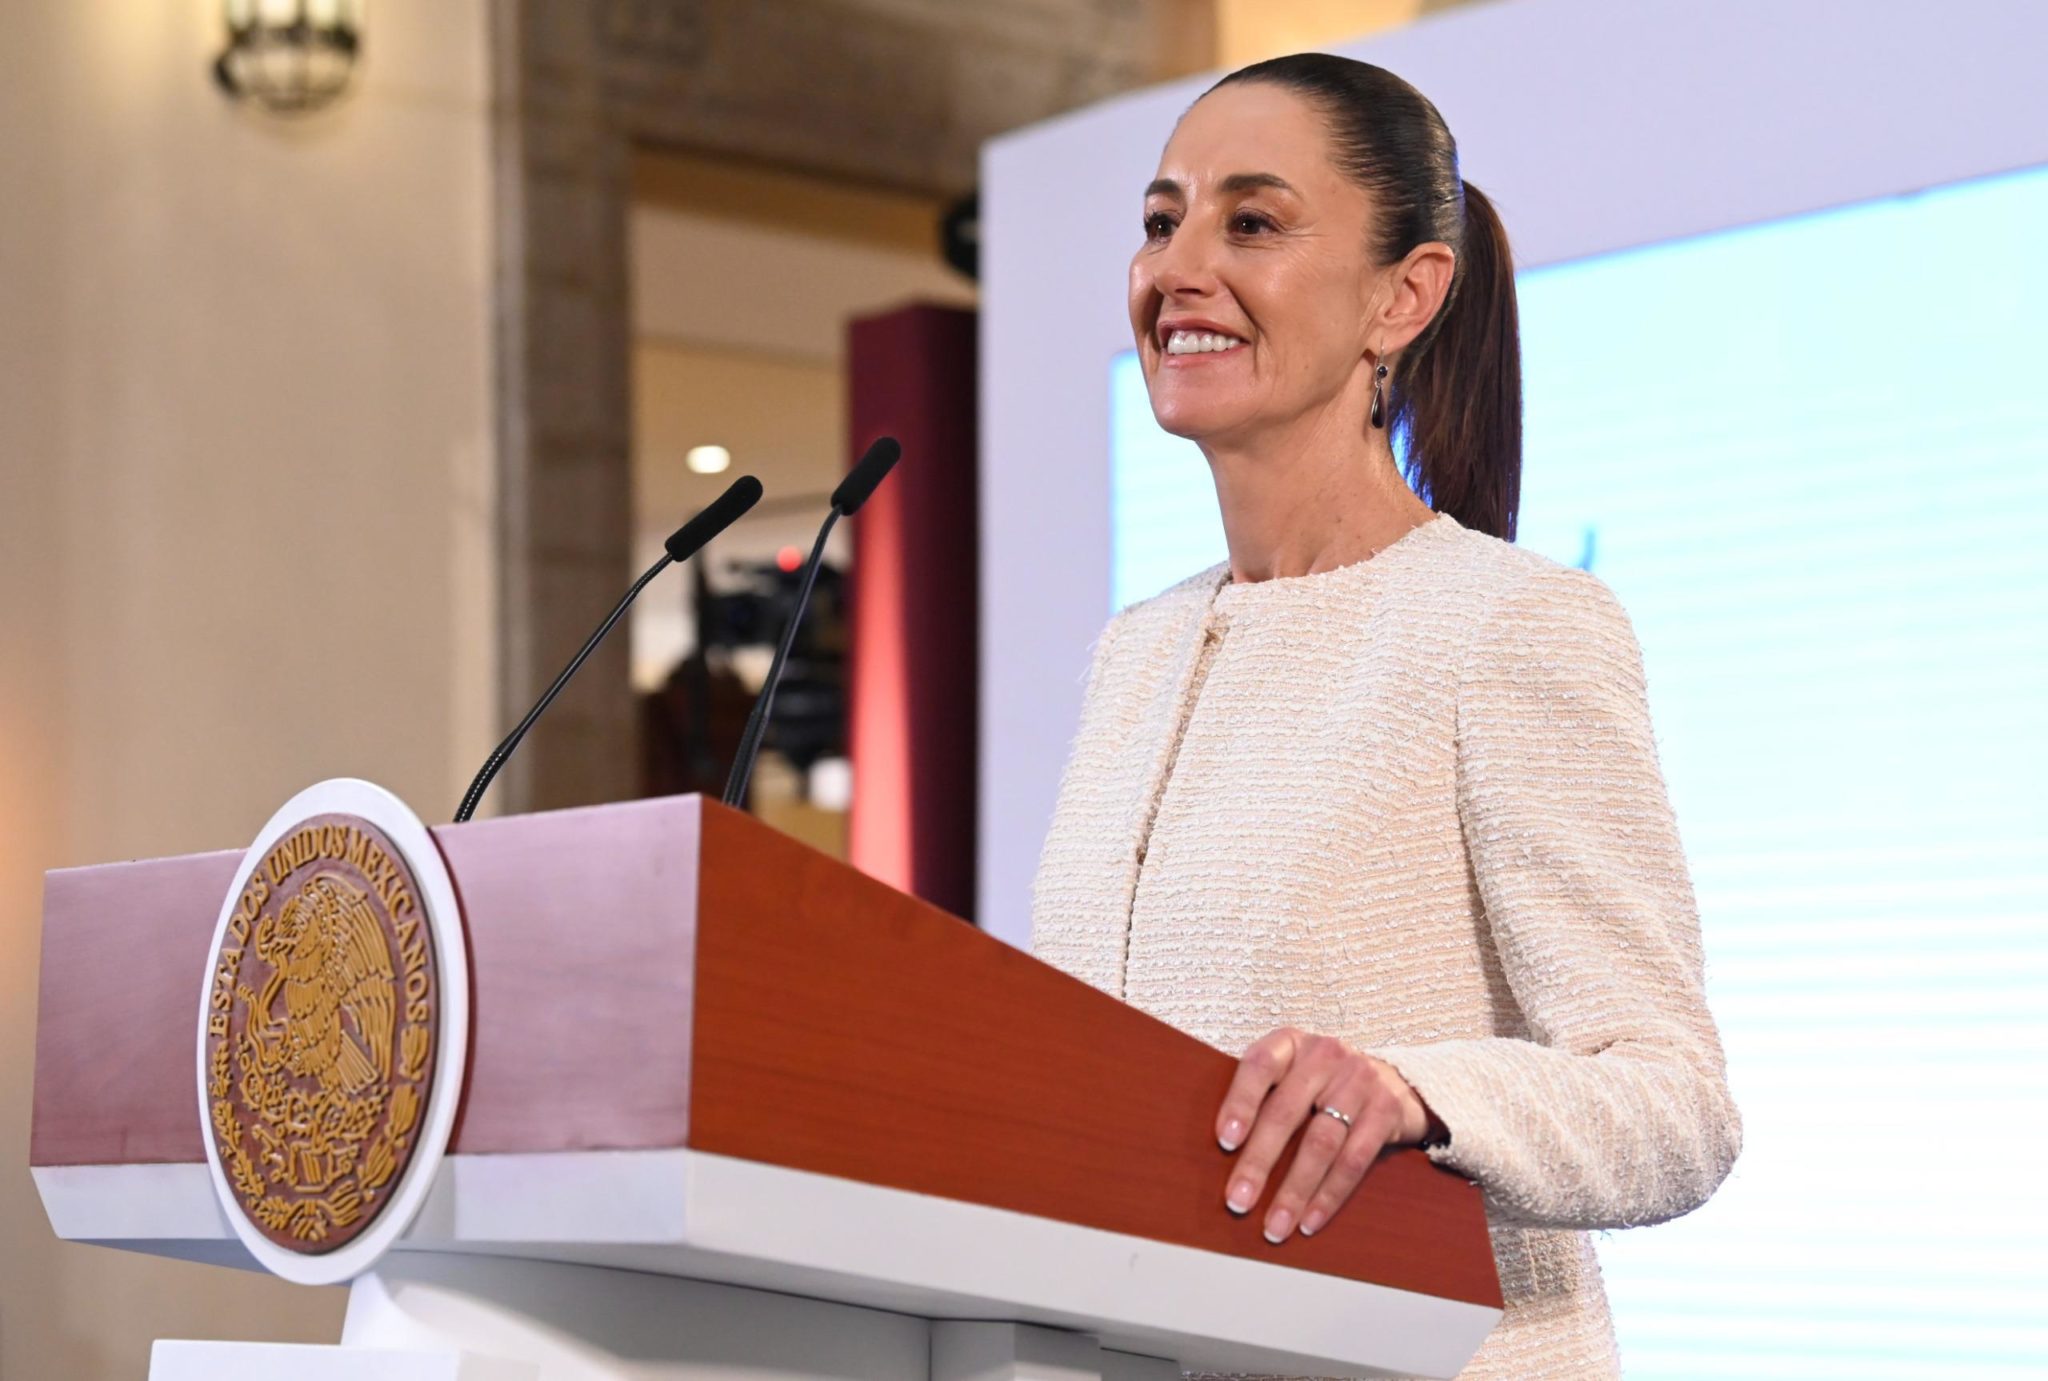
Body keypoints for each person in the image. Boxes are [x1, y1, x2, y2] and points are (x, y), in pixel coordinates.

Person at [1030, 53, 1741, 1379]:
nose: (1179, 268)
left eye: (1252, 221)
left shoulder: (1508, 622)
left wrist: (1418, 1091)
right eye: (1161, 221)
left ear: (1403, 295)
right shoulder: (1134, 652)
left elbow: (1675, 1105)